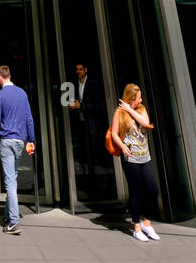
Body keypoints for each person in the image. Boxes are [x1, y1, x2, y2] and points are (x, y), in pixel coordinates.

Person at [0, 64, 35, 234]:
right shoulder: (22, 93)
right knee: (13, 177)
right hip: (20, 141)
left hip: (7, 141)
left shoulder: (0, 95)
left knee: (10, 181)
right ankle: (8, 215)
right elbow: (29, 118)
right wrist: (31, 140)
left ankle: (13, 222)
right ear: (10, 76)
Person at [110, 83, 160, 241]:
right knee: (136, 191)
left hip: (145, 157)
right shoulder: (119, 113)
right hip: (130, 158)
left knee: (153, 188)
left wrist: (130, 109)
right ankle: (137, 227)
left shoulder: (141, 109)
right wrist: (122, 146)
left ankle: (147, 223)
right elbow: (114, 134)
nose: (141, 100)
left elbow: (146, 124)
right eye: (138, 98)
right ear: (131, 98)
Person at [68, 61, 105, 193]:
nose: (78, 72)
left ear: (85, 70)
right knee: (85, 156)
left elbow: (99, 106)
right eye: (76, 69)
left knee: (95, 157)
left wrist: (81, 107)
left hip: (93, 126)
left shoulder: (93, 84)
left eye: (80, 69)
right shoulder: (75, 84)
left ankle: (99, 185)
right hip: (81, 124)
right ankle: (90, 184)